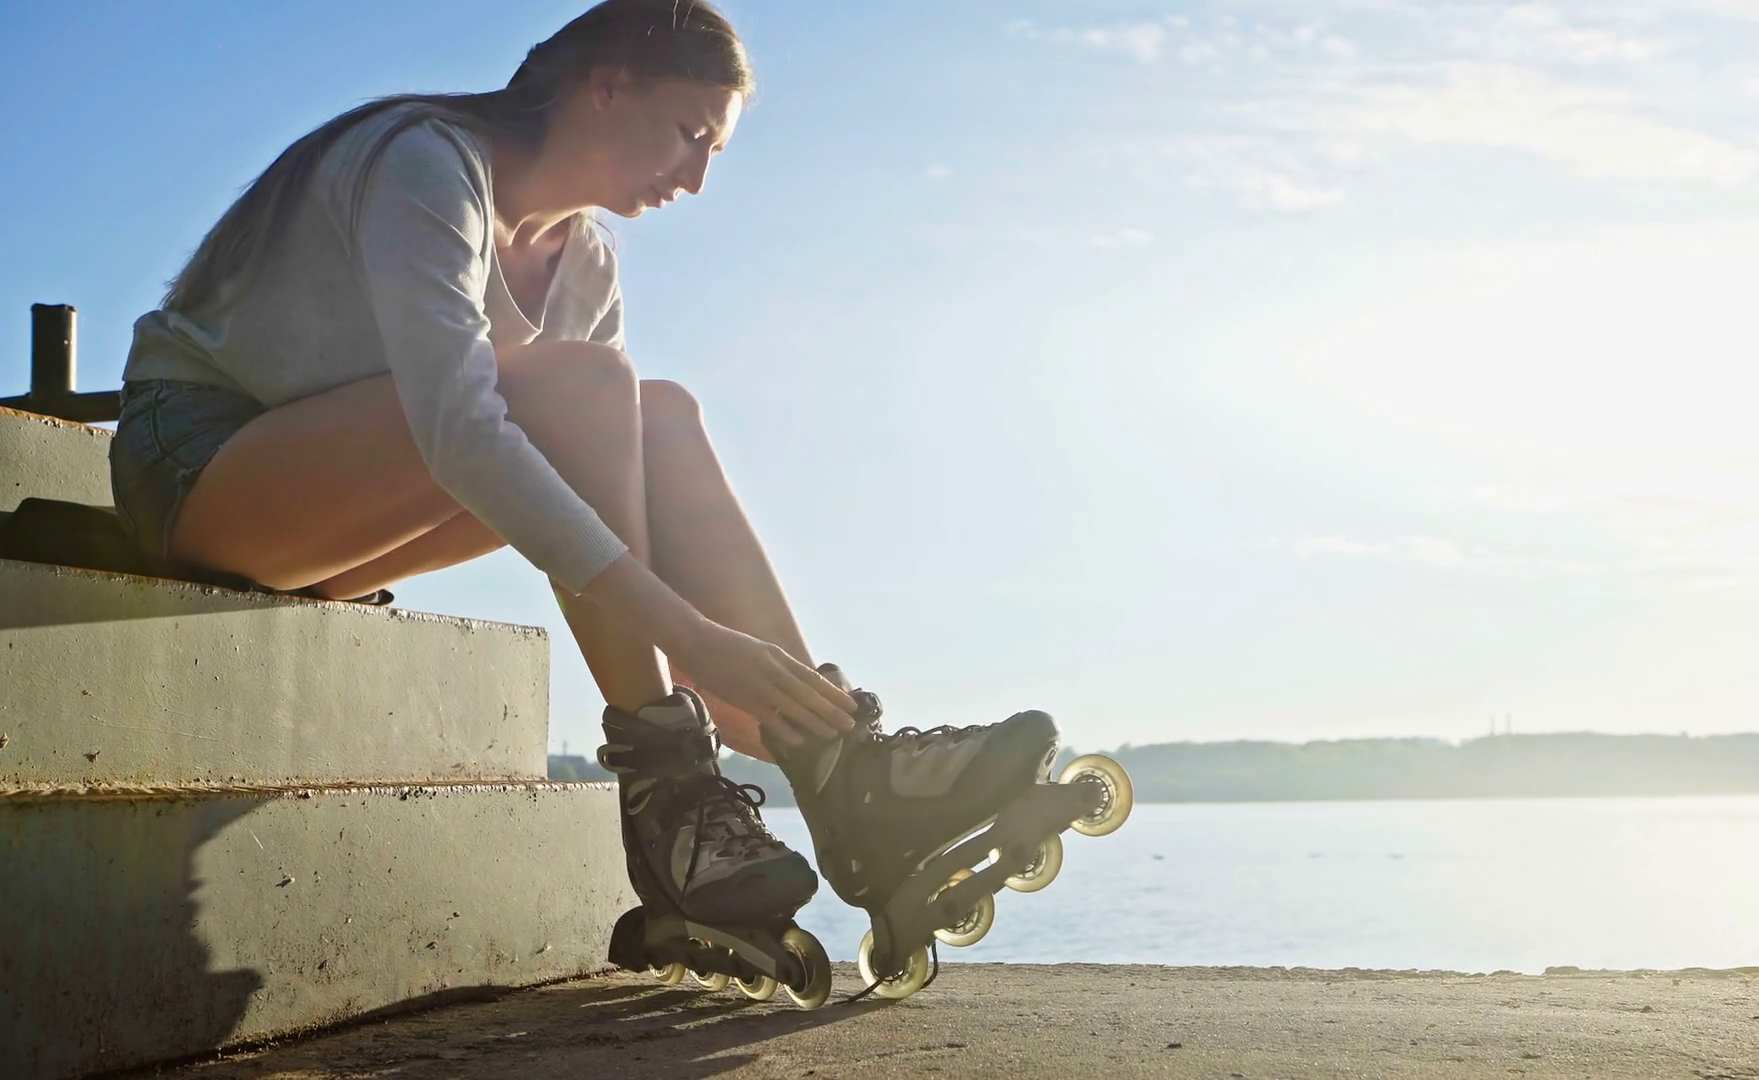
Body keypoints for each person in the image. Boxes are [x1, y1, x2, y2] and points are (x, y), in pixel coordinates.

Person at [109, 0, 1077, 994]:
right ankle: (667, 789)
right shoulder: (423, 161)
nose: (697, 177)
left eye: (713, 152)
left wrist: (765, 698)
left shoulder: (589, 262)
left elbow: (615, 506)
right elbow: (462, 431)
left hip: (347, 525)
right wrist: (694, 651)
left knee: (660, 416)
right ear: (606, 82)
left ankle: (840, 761)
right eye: (688, 134)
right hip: (201, 467)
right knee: (583, 389)